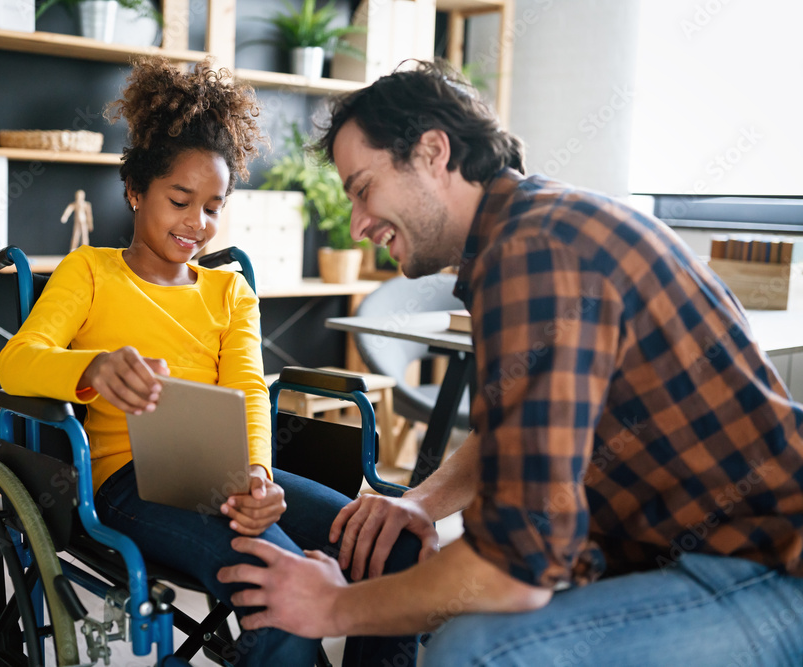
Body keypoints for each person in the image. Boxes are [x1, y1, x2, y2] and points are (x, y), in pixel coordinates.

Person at [217, 59, 803, 665]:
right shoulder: (533, 229)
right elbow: (522, 435)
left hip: (766, 569)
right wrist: (420, 502)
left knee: (471, 649)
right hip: (701, 553)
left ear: (433, 153)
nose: (357, 224)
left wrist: (333, 606)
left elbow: (514, 572)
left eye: (363, 189)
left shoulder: (533, 255)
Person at [0, 56, 419, 666]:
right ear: (135, 191)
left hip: (229, 476)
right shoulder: (89, 271)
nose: (197, 223)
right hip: (126, 483)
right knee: (286, 587)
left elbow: (248, 389)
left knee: (395, 547)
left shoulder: (230, 292)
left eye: (214, 207)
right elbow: (18, 361)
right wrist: (91, 369)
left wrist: (259, 475)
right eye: (180, 200)